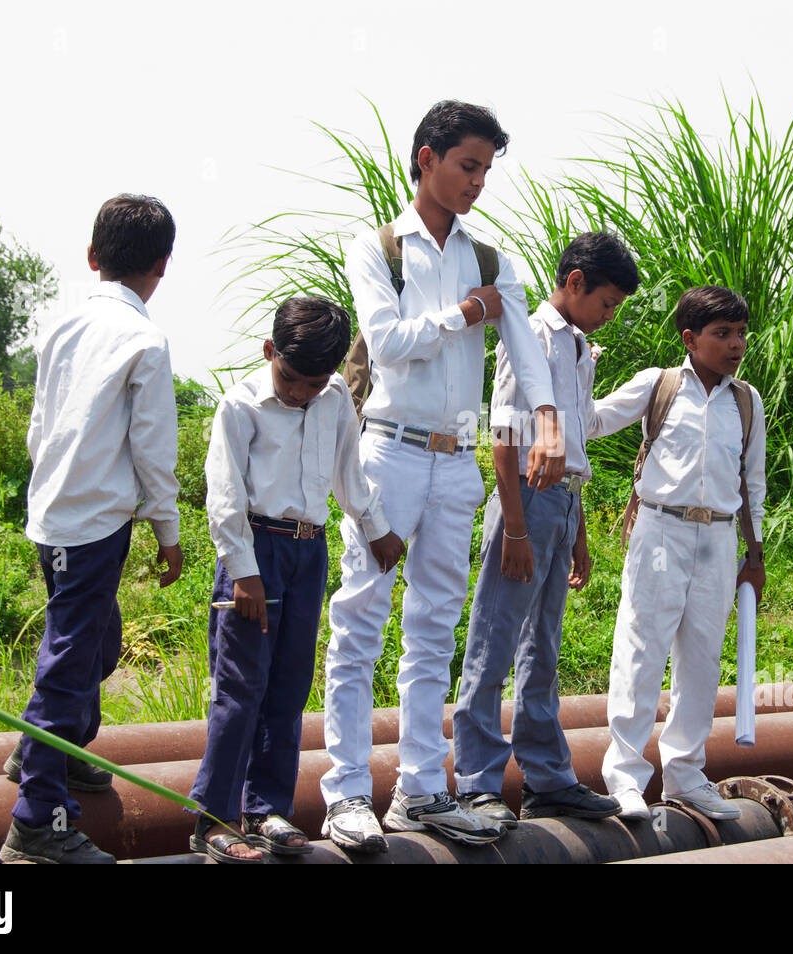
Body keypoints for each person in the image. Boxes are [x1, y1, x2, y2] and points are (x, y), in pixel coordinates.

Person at [320, 100, 564, 851]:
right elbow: (387, 346)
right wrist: (463, 316)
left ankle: (421, 789)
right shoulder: (380, 250)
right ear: (426, 158)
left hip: (459, 460)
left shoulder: (490, 260)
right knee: (361, 621)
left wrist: (547, 414)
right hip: (389, 451)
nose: (478, 182)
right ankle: (346, 793)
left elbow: (525, 345)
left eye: (487, 169)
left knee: (433, 629)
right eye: (467, 165)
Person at [0, 194, 183, 864]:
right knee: (70, 666)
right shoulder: (145, 341)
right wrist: (168, 530)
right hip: (92, 525)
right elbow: (152, 448)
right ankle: (35, 824)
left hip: (53, 517)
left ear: (91, 257)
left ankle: (46, 749)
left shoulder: (61, 326)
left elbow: (38, 426)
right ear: (163, 265)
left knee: (97, 646)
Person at [187, 297, 403, 863]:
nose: (300, 391)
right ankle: (215, 817)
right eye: (291, 377)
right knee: (241, 688)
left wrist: (376, 526)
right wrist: (243, 573)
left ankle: (266, 808)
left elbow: (348, 473)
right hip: (256, 552)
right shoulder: (241, 407)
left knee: (288, 686)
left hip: (309, 553)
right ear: (269, 353)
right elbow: (225, 498)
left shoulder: (332, 399)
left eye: (314, 382)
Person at [452, 232, 639, 828]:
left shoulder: (578, 346)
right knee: (493, 642)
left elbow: (575, 445)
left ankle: (547, 778)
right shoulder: (532, 336)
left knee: (543, 649)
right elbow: (505, 435)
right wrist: (513, 529)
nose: (609, 317)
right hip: (524, 504)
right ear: (576, 281)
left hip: (559, 503)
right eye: (606, 303)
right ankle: (477, 781)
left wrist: (578, 528)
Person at [590, 285, 767, 822]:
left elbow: (752, 483)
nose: (735, 345)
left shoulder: (747, 401)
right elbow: (593, 423)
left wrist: (754, 556)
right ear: (690, 339)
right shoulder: (658, 386)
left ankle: (686, 775)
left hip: (718, 539)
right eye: (722, 334)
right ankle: (624, 778)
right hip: (660, 531)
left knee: (702, 657)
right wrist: (580, 370)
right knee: (641, 651)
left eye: (740, 334)